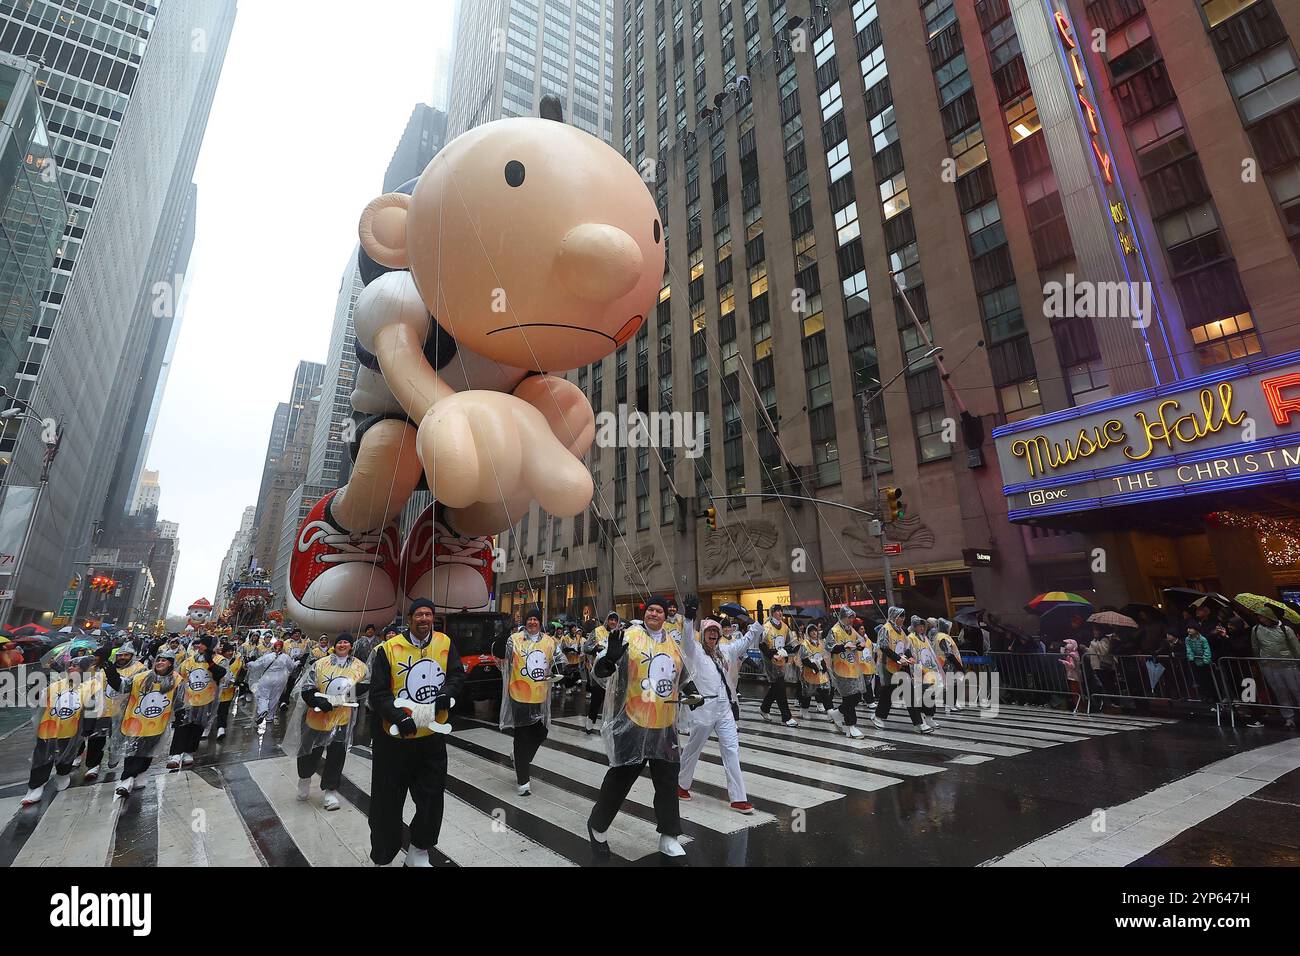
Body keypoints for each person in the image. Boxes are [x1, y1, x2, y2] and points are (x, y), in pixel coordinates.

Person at [586, 595, 687, 862]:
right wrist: (609, 659)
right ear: (645, 613)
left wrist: (694, 693)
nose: (655, 614)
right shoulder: (628, 636)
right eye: (651, 609)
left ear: (666, 616)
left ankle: (669, 836)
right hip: (631, 720)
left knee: (667, 780)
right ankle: (597, 825)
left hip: (664, 723)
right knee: (621, 778)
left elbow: (681, 676)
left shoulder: (673, 642)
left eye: (660, 611)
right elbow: (600, 672)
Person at [367, 598, 465, 866]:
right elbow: (378, 692)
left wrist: (447, 694)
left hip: (431, 739)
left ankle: (419, 850)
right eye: (419, 614)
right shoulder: (387, 649)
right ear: (409, 619)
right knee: (387, 802)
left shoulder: (445, 643)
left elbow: (456, 675)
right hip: (394, 741)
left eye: (429, 614)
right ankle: (385, 853)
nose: (424, 619)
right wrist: (398, 715)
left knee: (432, 797)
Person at [676, 597, 763, 813]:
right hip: (704, 708)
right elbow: (686, 639)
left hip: (724, 708)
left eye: (716, 632)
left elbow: (746, 640)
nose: (713, 635)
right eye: (709, 632)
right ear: (704, 634)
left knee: (731, 749)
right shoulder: (694, 651)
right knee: (693, 748)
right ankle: (681, 784)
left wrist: (756, 623)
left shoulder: (726, 651)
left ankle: (738, 798)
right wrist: (689, 617)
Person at [21, 652, 108, 806]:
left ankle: (62, 774)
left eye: (76, 666)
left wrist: (89, 727)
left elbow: (94, 707)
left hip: (70, 730)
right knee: (41, 759)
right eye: (71, 665)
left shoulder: (91, 686)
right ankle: (36, 786)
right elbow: (40, 703)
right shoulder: (55, 684)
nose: (71, 667)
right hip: (47, 729)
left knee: (65, 756)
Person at [295, 633, 369, 809]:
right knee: (309, 752)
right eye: (340, 642)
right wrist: (318, 701)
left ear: (351, 646)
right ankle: (304, 779)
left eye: (346, 642)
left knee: (336, 755)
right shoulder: (320, 664)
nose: (342, 645)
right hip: (316, 719)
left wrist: (340, 699)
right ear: (334, 645)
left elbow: (365, 686)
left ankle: (330, 791)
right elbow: (307, 688)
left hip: (342, 719)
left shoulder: (360, 666)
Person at [499, 607, 561, 796]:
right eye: (529, 619)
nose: (532, 622)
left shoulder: (550, 642)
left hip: (540, 697)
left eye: (535, 619)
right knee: (522, 737)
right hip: (518, 695)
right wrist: (504, 633)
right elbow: (501, 653)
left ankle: (519, 759)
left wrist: (561, 670)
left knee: (541, 733)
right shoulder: (515, 639)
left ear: (540, 622)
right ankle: (523, 782)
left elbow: (560, 659)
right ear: (525, 622)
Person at [114, 651, 181, 797]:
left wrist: (180, 716)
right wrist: (110, 671)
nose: (160, 663)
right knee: (133, 751)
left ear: (170, 663)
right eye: (158, 660)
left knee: (147, 751)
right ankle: (127, 779)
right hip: (136, 722)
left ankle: (140, 774)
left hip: (158, 724)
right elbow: (122, 686)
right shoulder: (141, 677)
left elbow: (180, 701)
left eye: (164, 660)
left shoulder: (177, 680)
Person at [873, 606, 932, 733]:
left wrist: (910, 658)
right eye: (900, 616)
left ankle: (918, 723)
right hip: (887, 667)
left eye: (904, 616)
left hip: (900, 667)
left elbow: (906, 647)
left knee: (907, 692)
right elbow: (883, 647)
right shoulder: (885, 629)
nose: (902, 619)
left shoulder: (901, 630)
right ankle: (878, 716)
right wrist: (898, 658)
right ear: (894, 616)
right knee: (888, 693)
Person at [1250, 609, 1300, 729]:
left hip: (1288, 664)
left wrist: (1297, 661)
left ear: (1270, 616)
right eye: (1259, 617)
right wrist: (1259, 662)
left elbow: (1296, 648)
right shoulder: (1256, 630)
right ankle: (1288, 717)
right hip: (1269, 665)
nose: (1260, 619)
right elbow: (1255, 647)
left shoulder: (1285, 629)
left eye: (1262, 616)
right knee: (1280, 691)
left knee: (1296, 689)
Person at [104, 643, 147, 772]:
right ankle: (113, 755)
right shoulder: (109, 667)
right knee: (112, 734)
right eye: (120, 655)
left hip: (130, 707)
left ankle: (129, 762)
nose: (122, 657)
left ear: (132, 656)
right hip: (109, 706)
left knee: (129, 734)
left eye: (126, 655)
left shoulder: (140, 668)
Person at [825, 606, 865, 737]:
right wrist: (842, 646)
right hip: (841, 669)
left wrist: (860, 645)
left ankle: (837, 713)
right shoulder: (834, 630)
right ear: (843, 617)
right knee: (849, 696)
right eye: (849, 618)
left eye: (853, 618)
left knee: (857, 696)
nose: (851, 620)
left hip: (853, 667)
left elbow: (859, 640)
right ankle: (850, 726)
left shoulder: (851, 630)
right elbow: (829, 647)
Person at [758, 604, 797, 726]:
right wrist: (771, 654)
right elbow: (762, 644)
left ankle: (764, 708)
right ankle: (786, 717)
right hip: (771, 662)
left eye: (781, 611)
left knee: (776, 687)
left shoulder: (785, 627)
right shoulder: (767, 627)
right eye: (777, 611)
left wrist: (785, 651)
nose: (780, 613)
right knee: (780, 687)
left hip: (781, 660)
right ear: (772, 613)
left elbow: (790, 642)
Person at [246, 638, 297, 727]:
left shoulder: (268, 656)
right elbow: (291, 667)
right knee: (275, 697)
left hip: (267, 678)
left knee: (263, 696)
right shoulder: (285, 657)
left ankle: (263, 710)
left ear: (273, 647)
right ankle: (270, 716)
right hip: (280, 679)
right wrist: (296, 663)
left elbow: (256, 665)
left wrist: (249, 663)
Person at [794, 621, 834, 722]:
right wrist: (812, 665)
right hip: (809, 673)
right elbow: (804, 658)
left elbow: (824, 655)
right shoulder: (805, 644)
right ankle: (804, 710)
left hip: (821, 674)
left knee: (825, 692)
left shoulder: (821, 643)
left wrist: (824, 665)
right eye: (811, 631)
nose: (814, 633)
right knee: (807, 693)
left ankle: (830, 711)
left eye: (815, 631)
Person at [1183, 623, 1217, 714]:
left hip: (1205, 662)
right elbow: (1188, 648)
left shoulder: (1202, 639)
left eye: (1191, 628)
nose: (1189, 630)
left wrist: (1206, 659)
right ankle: (1204, 695)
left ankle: (1211, 696)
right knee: (1200, 680)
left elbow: (1207, 649)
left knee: (1208, 680)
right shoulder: (1187, 639)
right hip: (1195, 661)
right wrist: (1191, 656)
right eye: (1188, 628)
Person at [213, 640, 244, 739]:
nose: (230, 653)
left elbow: (241, 672)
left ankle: (221, 728)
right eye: (228, 651)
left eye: (232, 651)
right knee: (214, 710)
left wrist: (238, 682)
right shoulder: (217, 661)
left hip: (229, 692)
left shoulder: (238, 661)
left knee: (224, 709)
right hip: (216, 691)